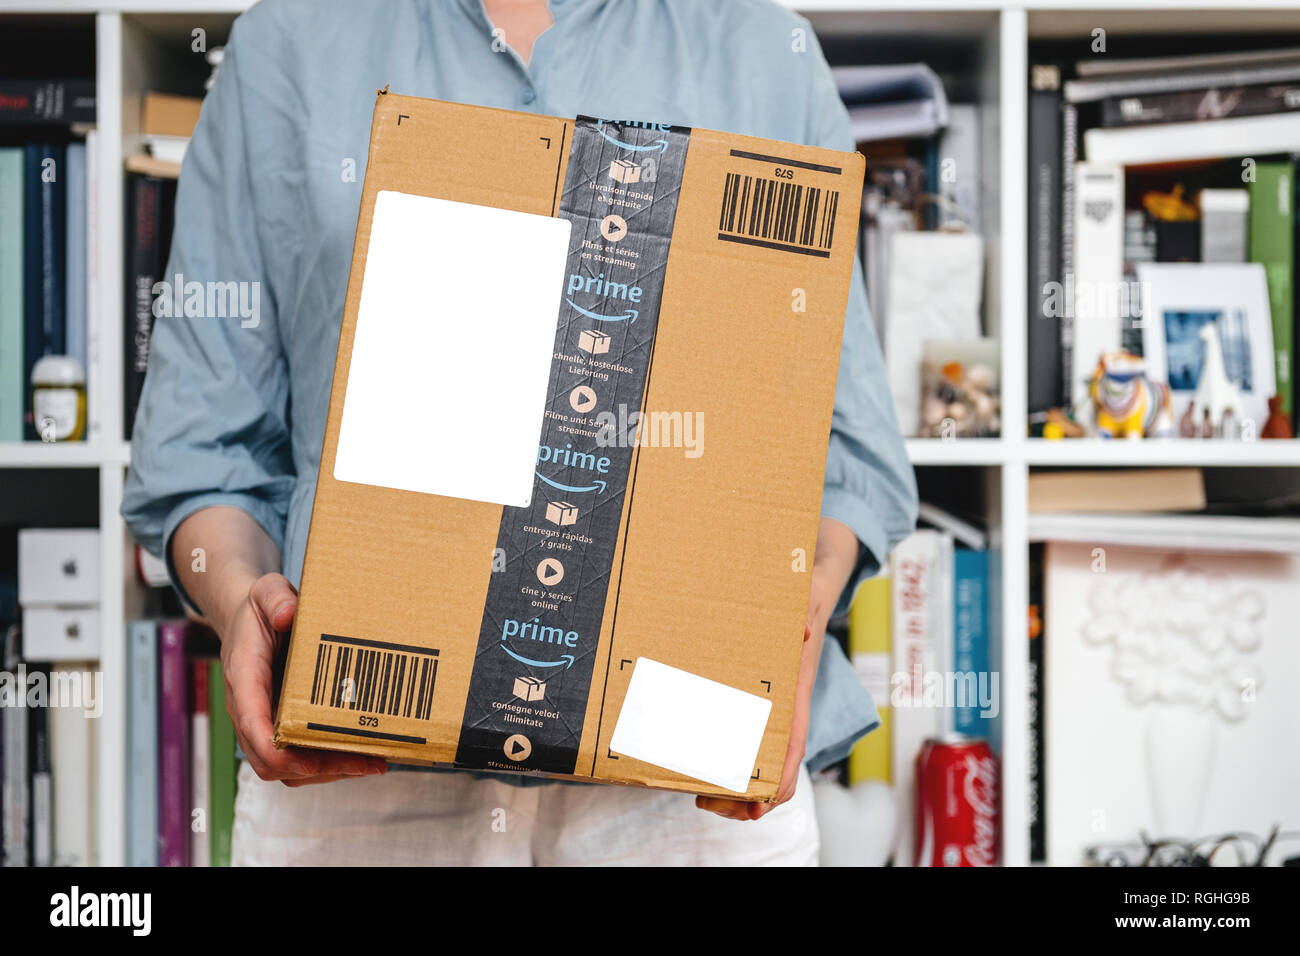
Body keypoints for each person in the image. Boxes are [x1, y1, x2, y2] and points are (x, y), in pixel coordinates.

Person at [122, 0, 917, 866]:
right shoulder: (293, 36)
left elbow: (848, 461)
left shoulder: (761, 42)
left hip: (682, 792)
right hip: (360, 778)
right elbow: (200, 457)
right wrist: (241, 601)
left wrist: (786, 629)